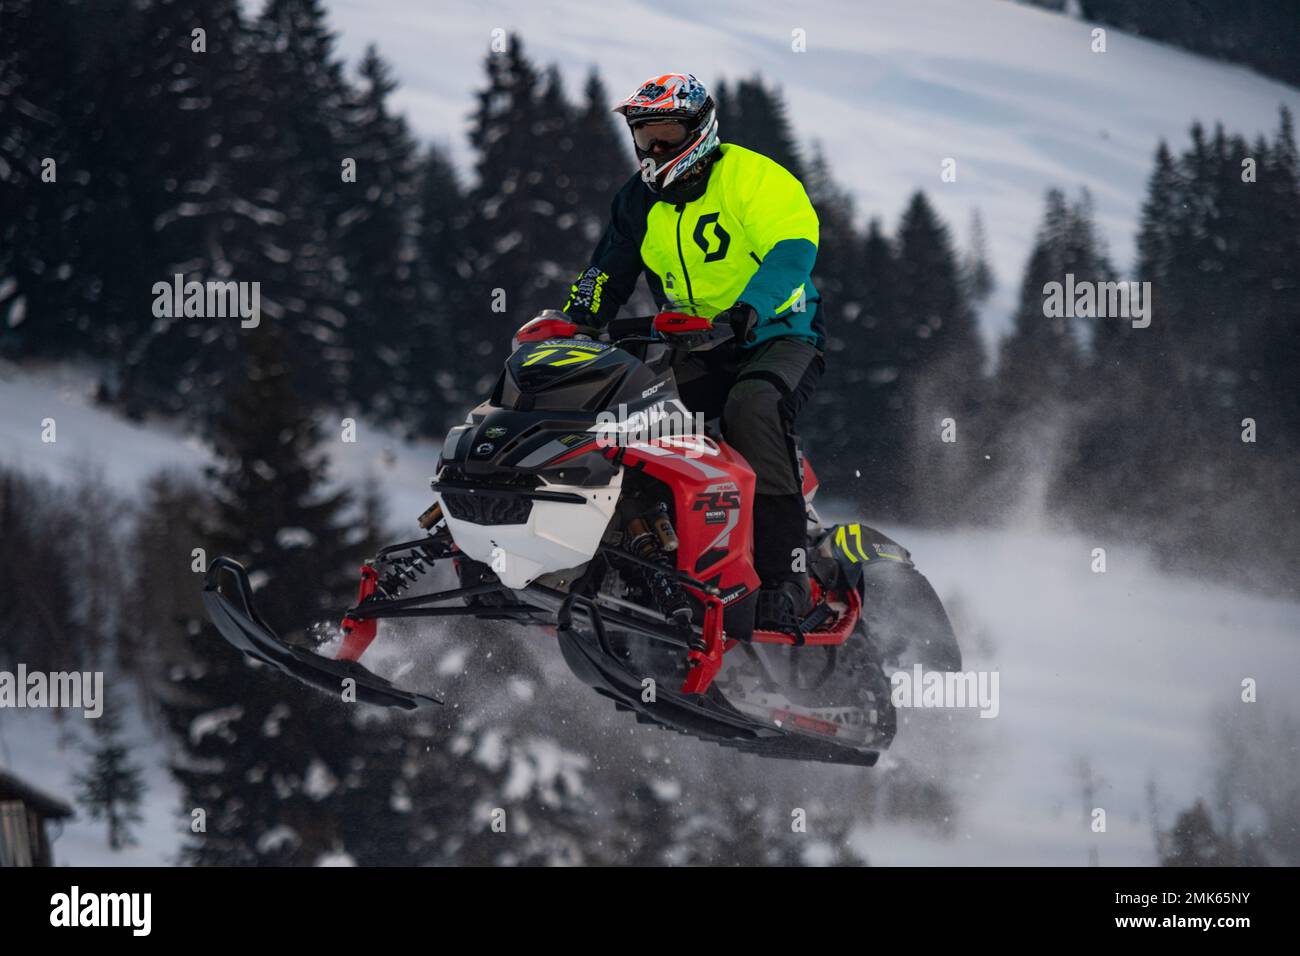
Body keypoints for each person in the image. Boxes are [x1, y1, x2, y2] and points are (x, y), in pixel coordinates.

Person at [558, 72, 825, 632]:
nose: (654, 148)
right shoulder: (636, 199)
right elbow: (606, 269)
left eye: (667, 134)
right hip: (691, 341)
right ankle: (637, 567)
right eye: (644, 136)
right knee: (627, 424)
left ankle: (786, 580)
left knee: (751, 410)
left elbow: (793, 249)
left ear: (699, 130)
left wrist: (750, 309)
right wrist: (574, 320)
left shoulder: (753, 177)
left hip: (777, 334)